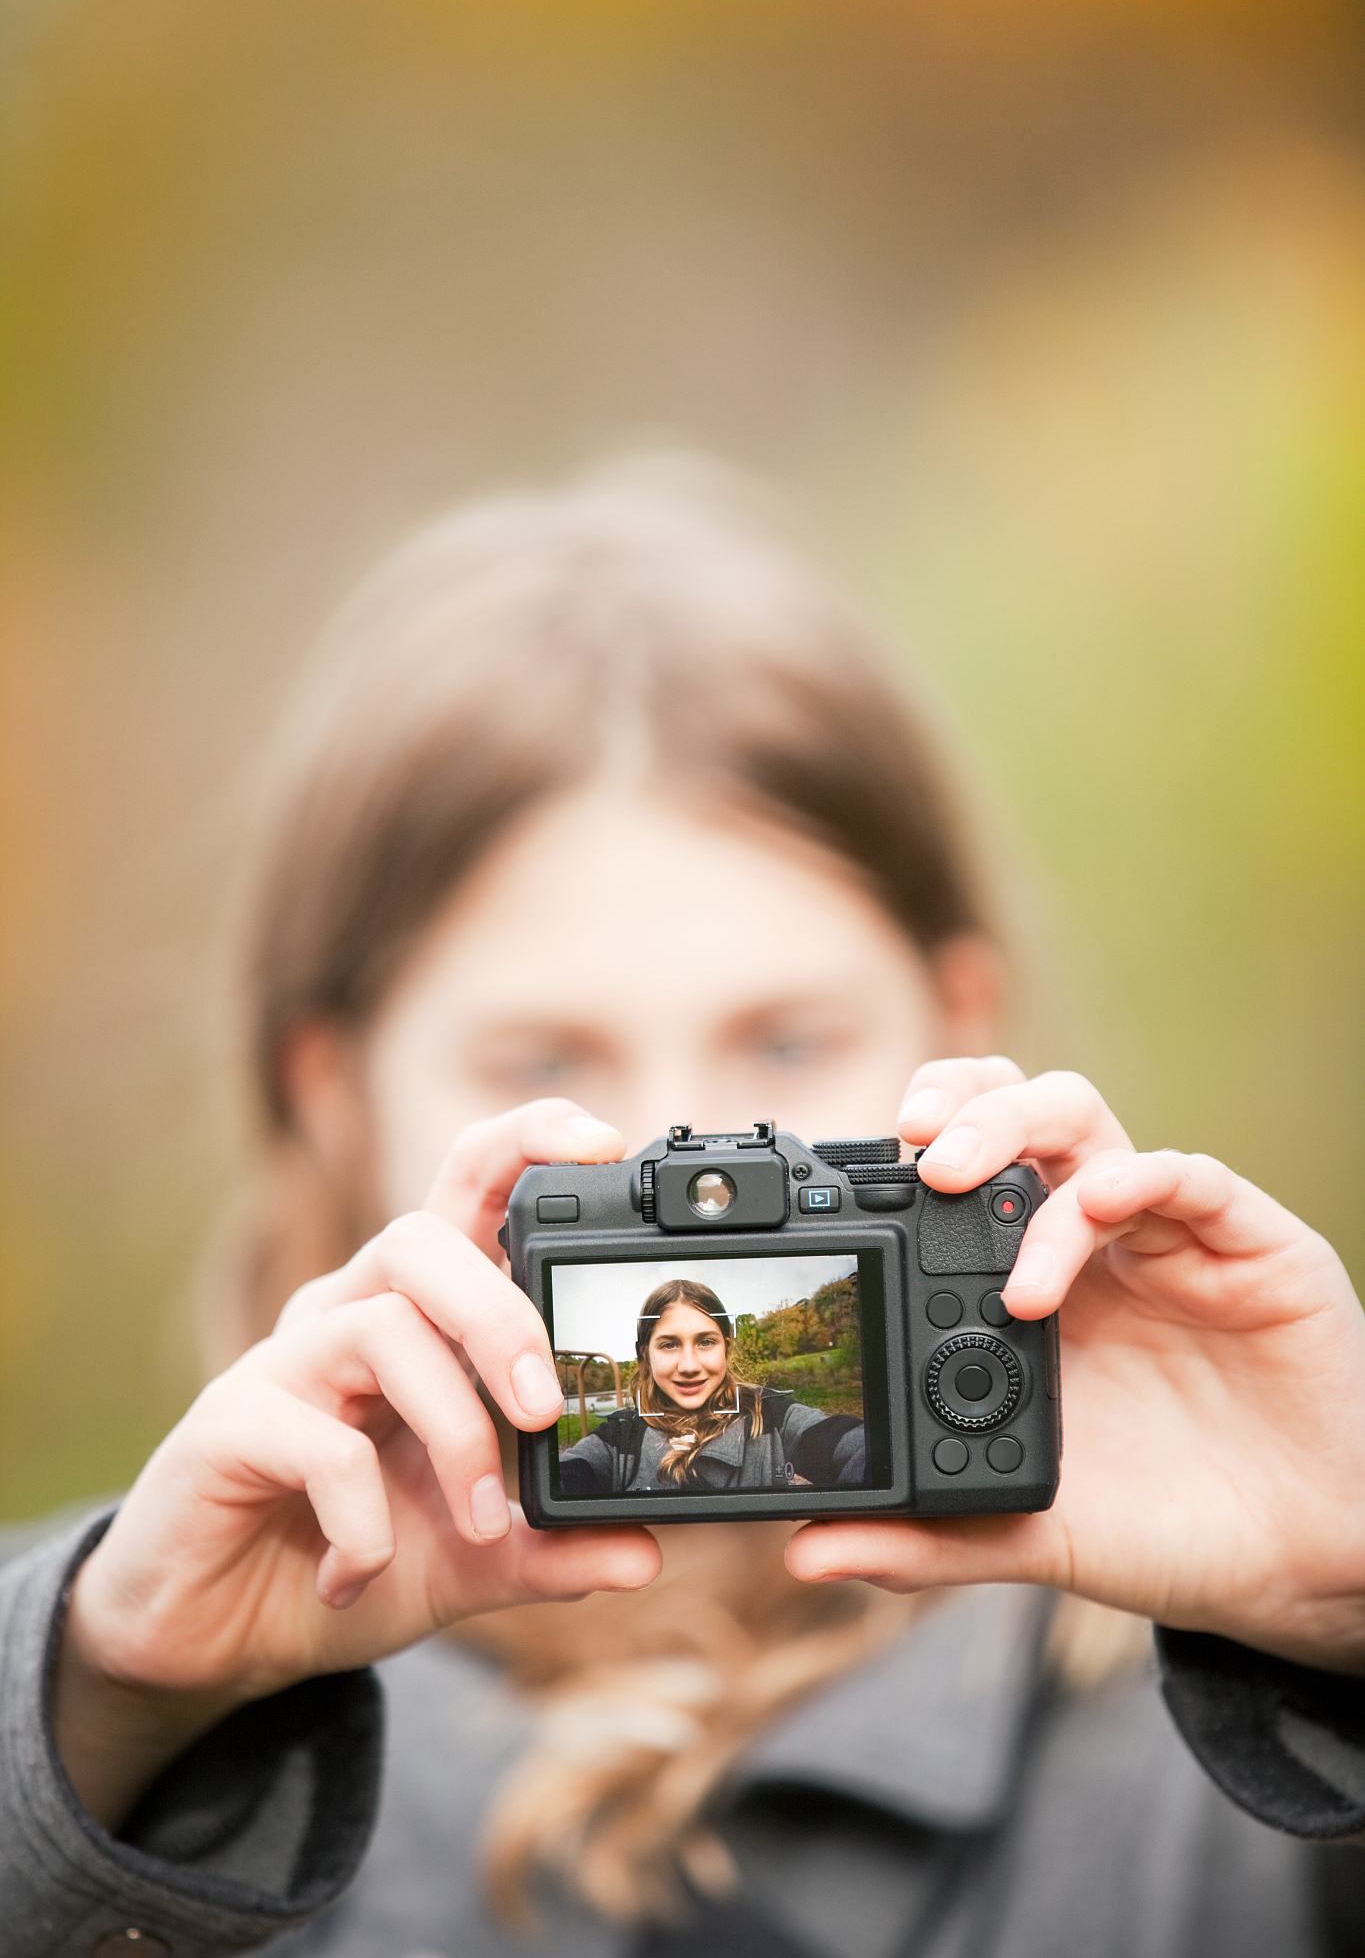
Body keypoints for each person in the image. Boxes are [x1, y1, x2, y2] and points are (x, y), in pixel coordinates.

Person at [2, 471, 1363, 1958]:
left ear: (959, 1027)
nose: (682, 1158)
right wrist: (96, 1720)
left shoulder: (1246, 1755)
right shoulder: (138, 1706)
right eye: (542, 1062)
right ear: (334, 1099)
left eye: (786, 1044)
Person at [557, 1277, 868, 1494]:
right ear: (645, 1354)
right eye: (669, 1345)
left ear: (726, 1348)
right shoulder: (620, 1436)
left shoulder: (771, 1415)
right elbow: (566, 1475)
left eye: (705, 1342)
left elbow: (850, 1445)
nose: (689, 1366)